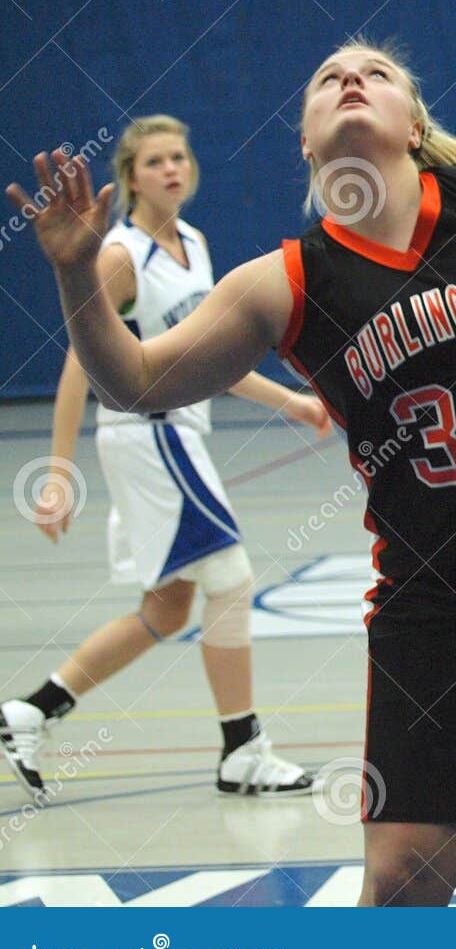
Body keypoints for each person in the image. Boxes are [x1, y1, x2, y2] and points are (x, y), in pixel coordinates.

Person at [7, 42, 456, 908]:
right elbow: (134, 381)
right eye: (326, 78)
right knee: (401, 873)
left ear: (413, 125)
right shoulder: (282, 282)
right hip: (441, 602)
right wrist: (73, 278)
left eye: (376, 73)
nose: (350, 80)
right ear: (307, 145)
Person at [1, 115, 326, 802]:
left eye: (179, 156)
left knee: (169, 608)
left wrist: (290, 403)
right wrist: (59, 470)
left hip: (174, 429)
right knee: (233, 580)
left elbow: (205, 357)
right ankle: (243, 750)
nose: (172, 169)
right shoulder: (121, 255)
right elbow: (77, 364)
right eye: (155, 161)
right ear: (130, 176)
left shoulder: (195, 244)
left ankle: (32, 709)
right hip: (150, 433)